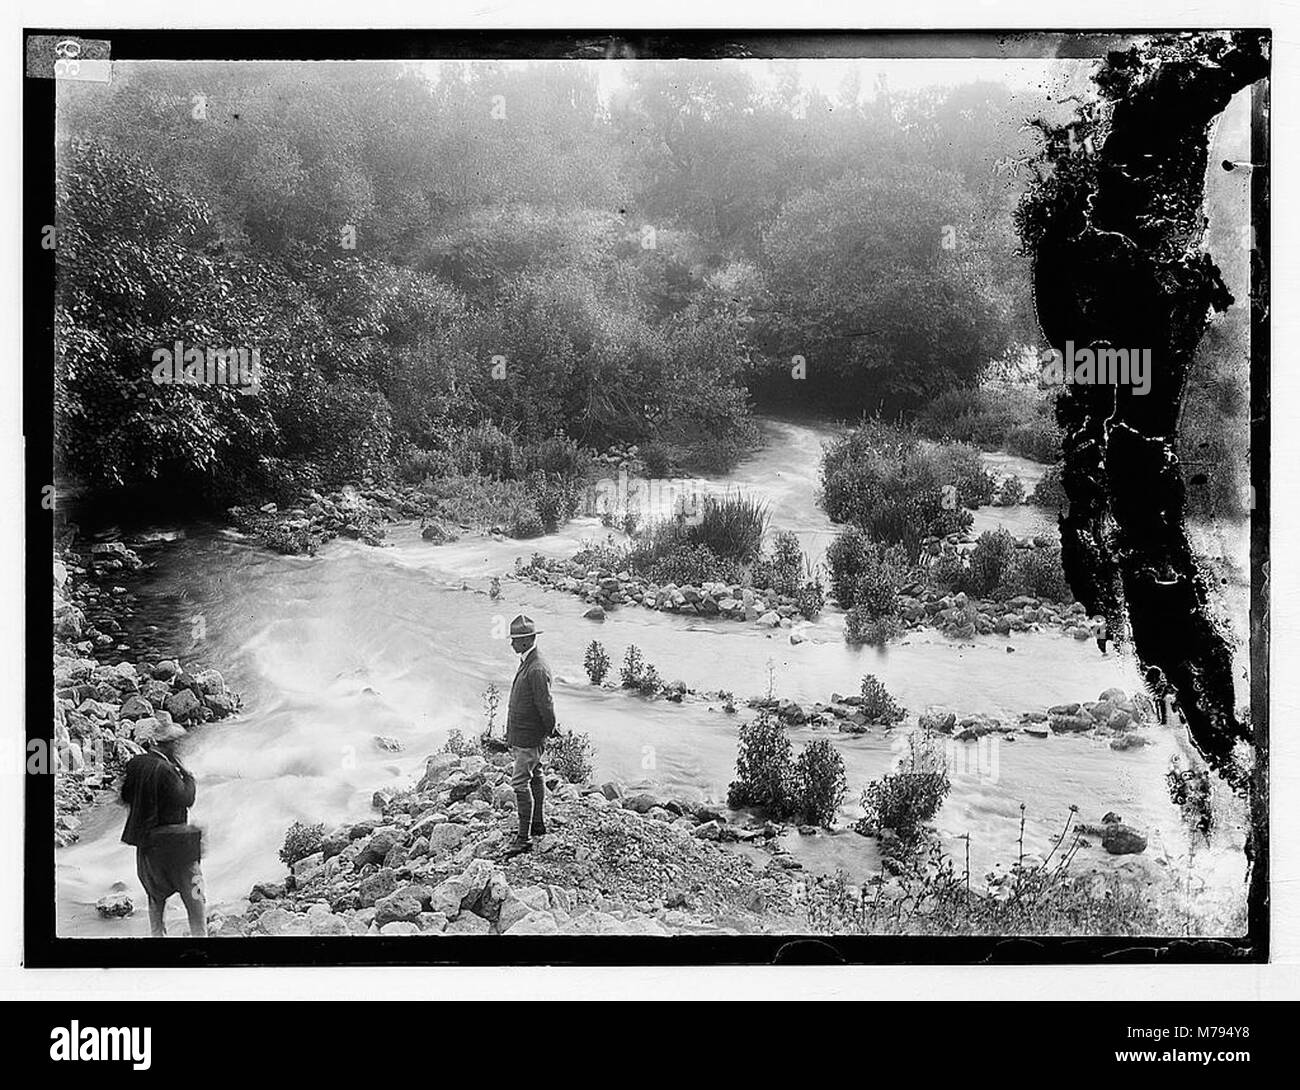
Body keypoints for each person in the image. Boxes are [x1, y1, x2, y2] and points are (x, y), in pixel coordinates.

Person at [119, 719, 206, 937]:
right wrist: (187, 776)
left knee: (155, 897)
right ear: (170, 744)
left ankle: (157, 937)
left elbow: (125, 796)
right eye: (177, 743)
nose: (180, 747)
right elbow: (185, 798)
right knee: (195, 896)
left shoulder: (136, 764)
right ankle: (201, 938)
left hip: (147, 846)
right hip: (176, 847)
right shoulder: (167, 770)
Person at [503, 614, 556, 857]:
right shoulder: (530, 661)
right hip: (525, 734)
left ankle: (524, 838)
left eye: (514, 640)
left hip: (529, 736)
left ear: (526, 641)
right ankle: (537, 823)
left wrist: (549, 729)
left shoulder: (536, 668)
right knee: (536, 774)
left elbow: (545, 706)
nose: (511, 644)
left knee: (520, 782)